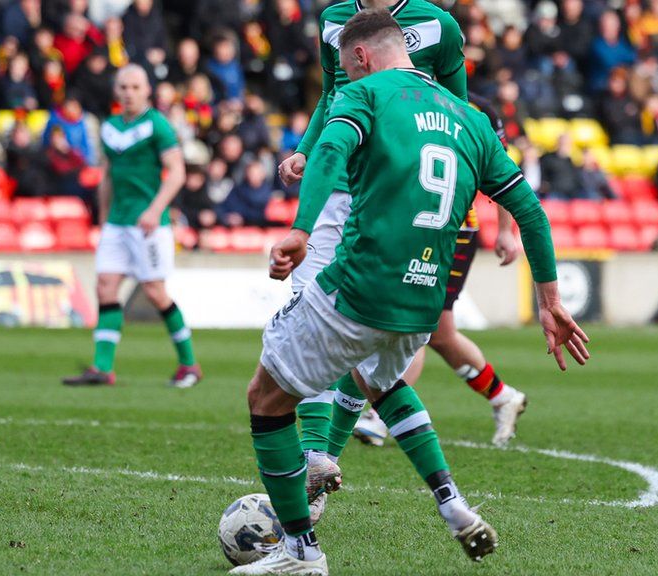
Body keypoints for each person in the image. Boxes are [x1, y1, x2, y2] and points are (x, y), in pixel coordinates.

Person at [239, 12, 589, 575]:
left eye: (345, 70)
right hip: (423, 300)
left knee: (265, 396)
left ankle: (300, 550)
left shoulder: (367, 93)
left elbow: (329, 154)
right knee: (383, 380)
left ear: (359, 58)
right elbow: (531, 210)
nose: (345, 80)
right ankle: (452, 504)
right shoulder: (470, 118)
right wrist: (550, 302)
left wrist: (302, 230)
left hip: (361, 285)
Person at [277, 0, 523, 505]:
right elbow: (330, 96)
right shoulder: (332, 19)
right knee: (326, 319)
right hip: (346, 185)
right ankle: (322, 459)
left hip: (406, 204)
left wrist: (489, 219)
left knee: (403, 333)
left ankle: (349, 447)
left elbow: (461, 119)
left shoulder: (440, 25)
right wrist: (307, 148)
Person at [62, 65, 200, 389]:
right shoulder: (109, 128)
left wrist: (154, 210)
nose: (129, 92)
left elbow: (177, 172)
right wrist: (103, 217)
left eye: (135, 87)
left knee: (155, 292)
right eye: (123, 87)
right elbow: (107, 175)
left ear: (146, 90)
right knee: (105, 287)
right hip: (117, 223)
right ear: (116, 91)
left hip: (149, 225)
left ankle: (189, 364)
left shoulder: (158, 126)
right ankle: (102, 368)